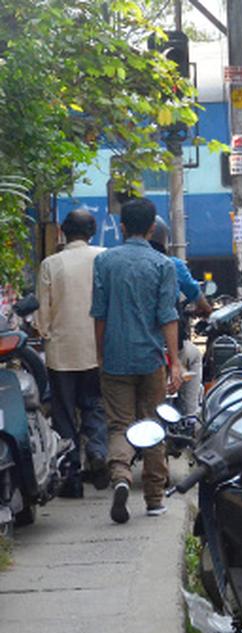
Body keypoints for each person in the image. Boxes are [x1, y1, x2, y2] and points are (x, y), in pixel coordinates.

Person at [90, 198, 182, 523]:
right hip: (151, 357)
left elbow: (99, 313)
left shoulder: (105, 262)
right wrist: (174, 362)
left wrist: (100, 351)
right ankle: (155, 499)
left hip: (116, 356)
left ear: (123, 227)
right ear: (153, 227)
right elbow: (168, 316)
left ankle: (121, 477)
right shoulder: (164, 265)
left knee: (119, 424)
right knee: (153, 425)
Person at [36, 209, 108, 496]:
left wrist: (44, 333)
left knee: (64, 414)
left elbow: (43, 314)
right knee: (96, 406)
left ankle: (72, 480)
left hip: (62, 352)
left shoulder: (51, 264)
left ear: (63, 232)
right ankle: (98, 450)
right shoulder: (104, 257)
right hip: (97, 349)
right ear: (92, 232)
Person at [148, 220, 212, 417]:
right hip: (164, 347)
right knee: (193, 356)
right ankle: (190, 415)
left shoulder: (118, 263)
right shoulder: (172, 264)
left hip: (132, 348)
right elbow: (197, 297)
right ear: (165, 239)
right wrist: (205, 310)